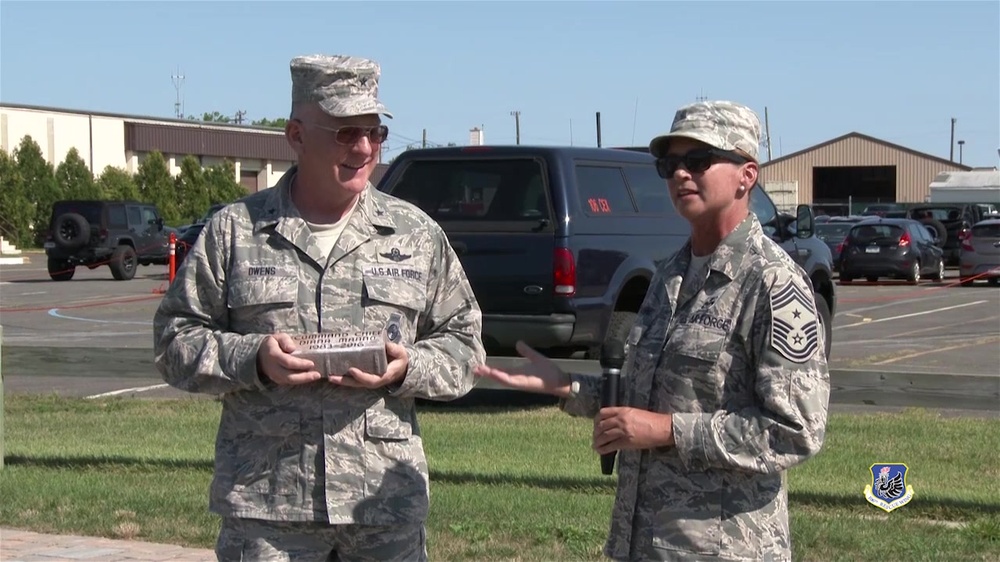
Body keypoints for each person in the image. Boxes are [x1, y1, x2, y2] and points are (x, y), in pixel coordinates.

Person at [153, 54, 486, 562]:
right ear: (295, 134)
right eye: (344, 132)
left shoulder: (415, 234)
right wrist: (254, 359)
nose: (363, 148)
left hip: (382, 509)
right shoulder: (235, 231)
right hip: (268, 508)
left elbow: (465, 348)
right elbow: (175, 341)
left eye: (374, 133)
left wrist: (407, 367)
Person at [476, 100, 830, 561]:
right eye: (670, 164)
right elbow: (646, 399)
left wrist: (667, 431)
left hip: (722, 547)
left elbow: (795, 431)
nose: (681, 174)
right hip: (645, 542)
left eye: (699, 160)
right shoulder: (672, 274)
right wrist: (566, 385)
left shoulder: (771, 283)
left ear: (747, 174)